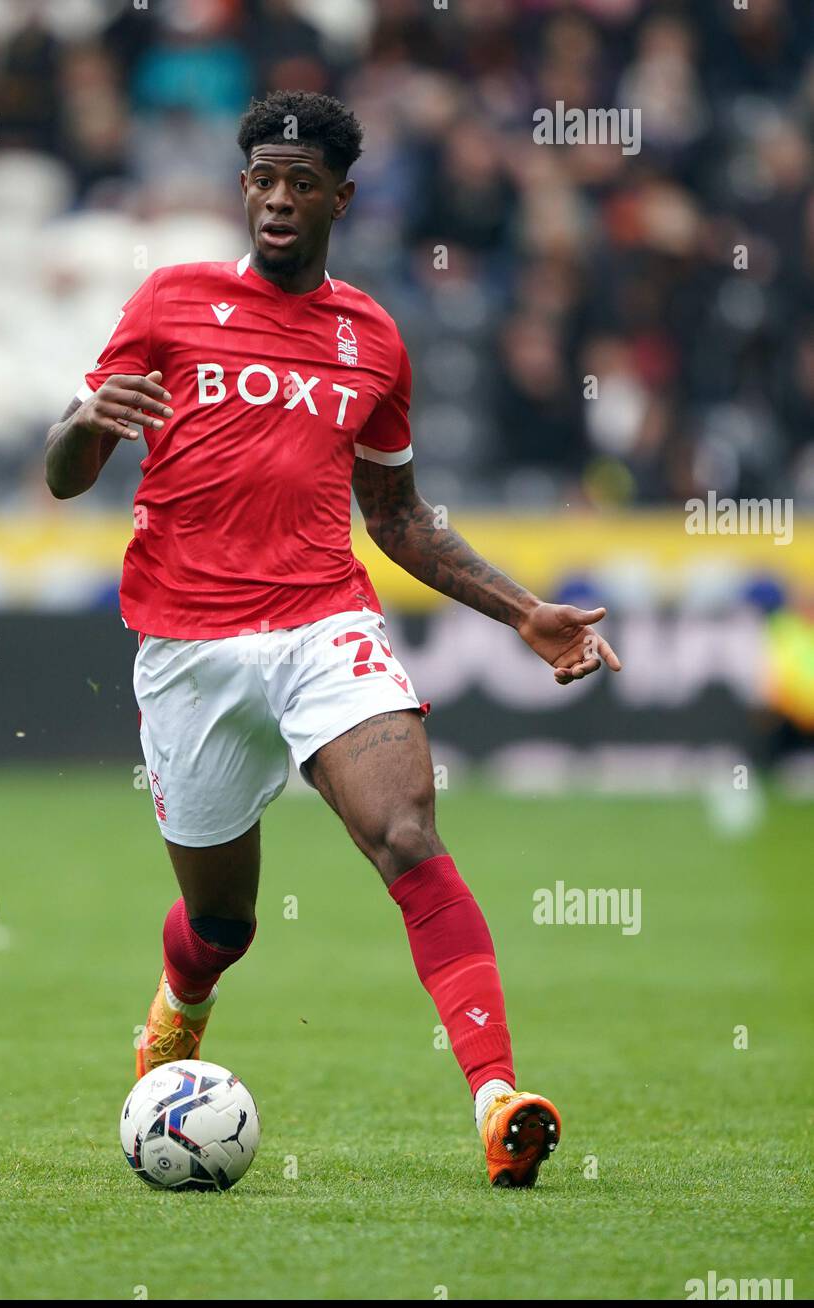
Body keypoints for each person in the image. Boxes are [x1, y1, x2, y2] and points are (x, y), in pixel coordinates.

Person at [44, 90, 621, 1188]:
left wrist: (522, 611)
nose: (275, 198)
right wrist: (80, 425)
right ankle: (181, 1002)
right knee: (221, 923)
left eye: (299, 183)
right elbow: (67, 478)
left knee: (406, 834)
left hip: (323, 621)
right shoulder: (170, 302)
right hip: (188, 644)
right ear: (243, 188)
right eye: (260, 179)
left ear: (340, 200)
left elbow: (397, 517)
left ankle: (498, 1097)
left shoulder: (373, 340)